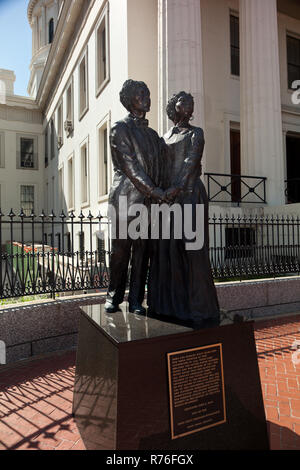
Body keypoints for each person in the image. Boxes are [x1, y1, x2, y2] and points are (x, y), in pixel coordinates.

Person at [147, 91, 220, 327]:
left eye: (191, 102)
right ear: (174, 107)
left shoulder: (196, 133)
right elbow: (159, 167)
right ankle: (169, 306)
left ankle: (198, 309)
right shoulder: (164, 137)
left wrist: (175, 190)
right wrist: (158, 192)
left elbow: (191, 163)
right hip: (167, 200)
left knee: (192, 252)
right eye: (183, 101)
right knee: (168, 252)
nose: (189, 104)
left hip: (189, 195)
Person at [105, 79, 177, 314]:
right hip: (125, 200)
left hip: (150, 203)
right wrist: (156, 191)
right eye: (140, 93)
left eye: (147, 92)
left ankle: (136, 300)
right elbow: (131, 167)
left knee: (142, 254)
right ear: (128, 100)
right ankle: (113, 296)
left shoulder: (155, 135)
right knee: (120, 252)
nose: (146, 96)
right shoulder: (120, 129)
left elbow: (165, 165)